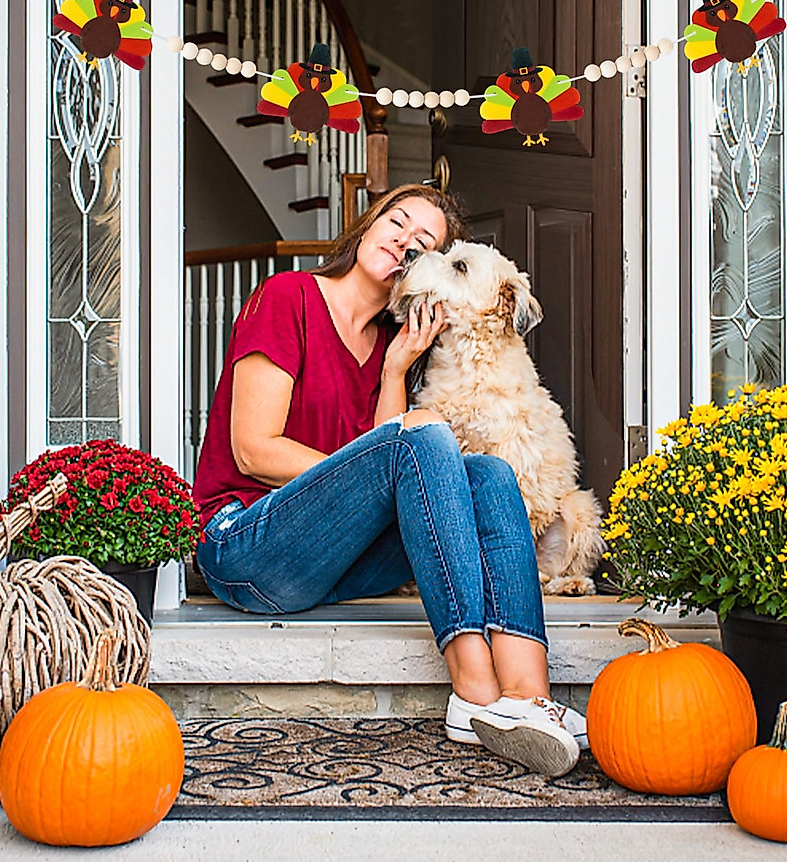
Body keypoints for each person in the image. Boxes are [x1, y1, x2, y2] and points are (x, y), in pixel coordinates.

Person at [193, 183, 585, 776]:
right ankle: (474, 689)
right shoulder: (289, 296)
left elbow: (389, 474)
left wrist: (397, 366)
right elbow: (252, 451)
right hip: (245, 544)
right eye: (397, 222)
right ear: (369, 224)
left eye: (424, 240)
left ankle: (529, 697)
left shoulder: (392, 350)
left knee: (489, 475)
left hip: (328, 563)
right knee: (424, 439)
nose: (405, 241)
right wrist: (387, 455)